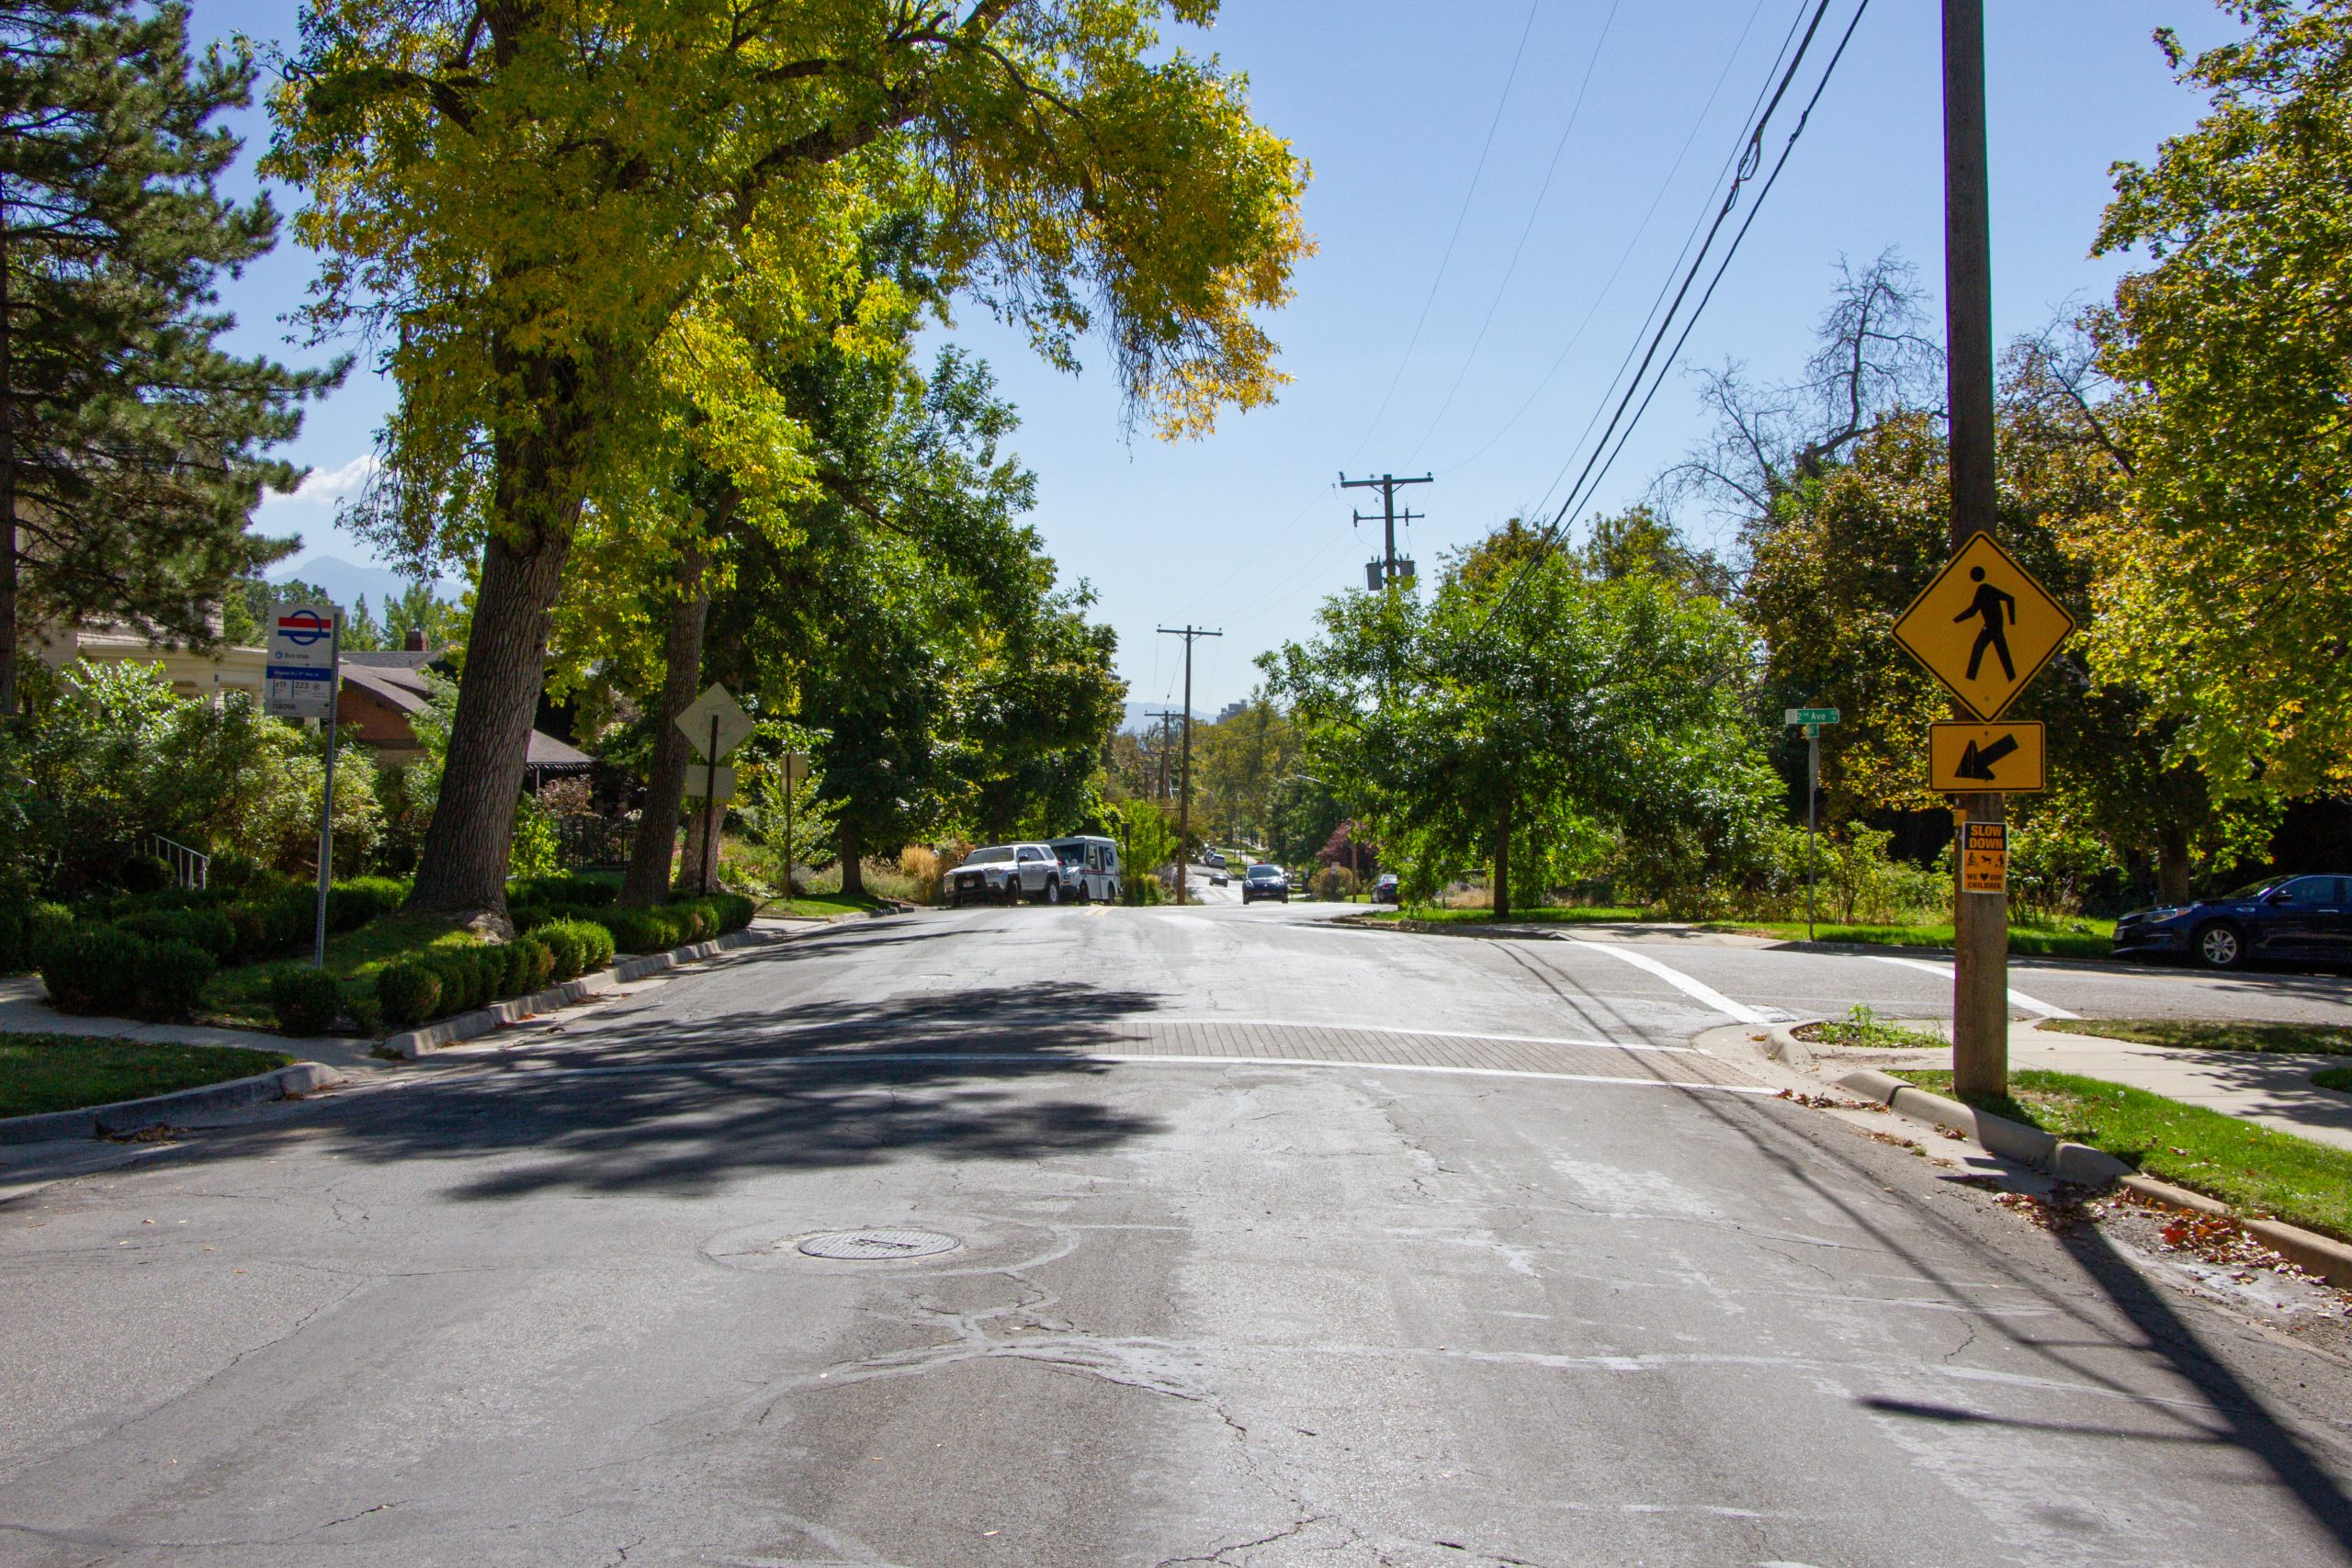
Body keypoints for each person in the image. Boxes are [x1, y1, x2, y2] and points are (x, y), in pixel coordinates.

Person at [1955, 565, 2017, 682]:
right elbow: (1973, 611)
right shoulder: (1982, 589)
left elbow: (2010, 599)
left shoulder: (1985, 588)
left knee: (1982, 648)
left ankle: (1970, 679)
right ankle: (2011, 678)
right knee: (1997, 651)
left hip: (1993, 625)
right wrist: (1955, 620)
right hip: (1990, 625)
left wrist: (2012, 622)